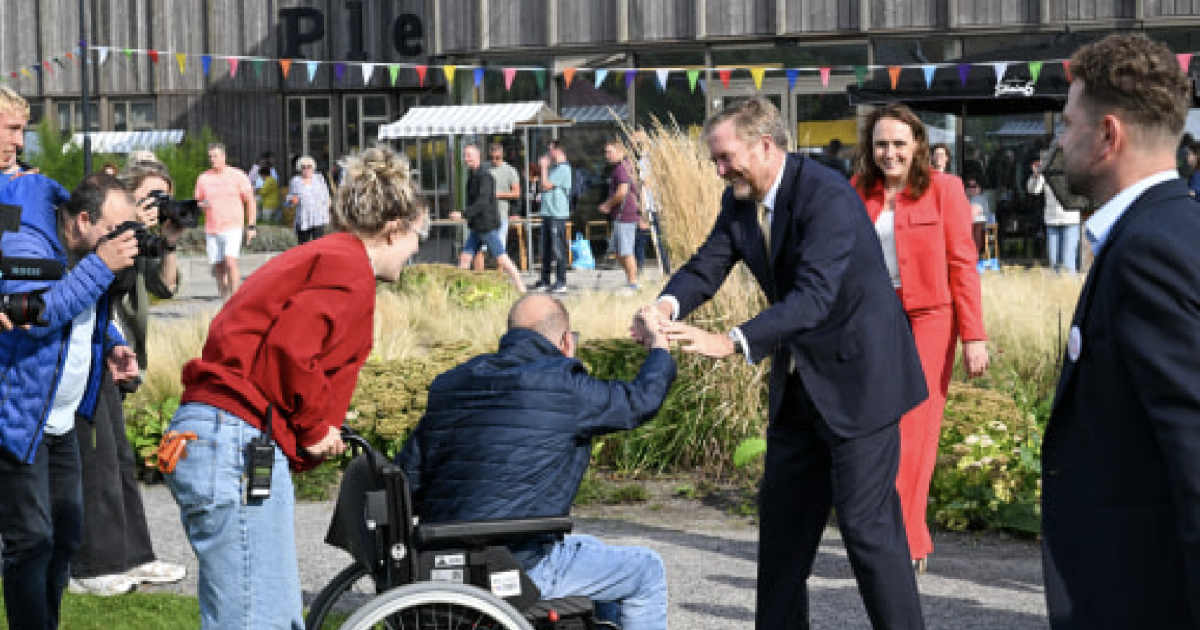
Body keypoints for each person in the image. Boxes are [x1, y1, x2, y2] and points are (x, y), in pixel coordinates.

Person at [640, 97, 928, 630]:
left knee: (868, 533)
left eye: (726, 158)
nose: (720, 171)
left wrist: (732, 340)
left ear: (765, 146)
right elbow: (708, 264)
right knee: (782, 539)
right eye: (715, 161)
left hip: (861, 382)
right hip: (799, 389)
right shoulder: (741, 200)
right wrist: (666, 304)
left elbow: (815, 298)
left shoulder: (828, 196)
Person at [163, 145, 427, 630]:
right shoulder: (350, 269)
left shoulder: (327, 256)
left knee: (267, 615)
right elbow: (291, 348)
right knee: (257, 619)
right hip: (237, 437)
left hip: (224, 431)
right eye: (417, 236)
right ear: (393, 228)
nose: (417, 249)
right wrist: (311, 428)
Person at [1042, 32, 1200, 629]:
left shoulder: (1147, 251)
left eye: (1067, 124)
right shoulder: (1175, 227)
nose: (1060, 140)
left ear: (1108, 135)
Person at [396, 295, 676, 630]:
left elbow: (407, 482)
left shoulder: (452, 384)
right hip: (512, 566)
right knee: (645, 569)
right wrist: (659, 345)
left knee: (588, 548)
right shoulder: (563, 384)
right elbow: (639, 401)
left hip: (441, 561)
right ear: (565, 342)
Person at [0, 166, 140, 629]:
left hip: (62, 421)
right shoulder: (28, 242)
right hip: (20, 418)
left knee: (64, 539)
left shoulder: (89, 251)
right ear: (82, 220)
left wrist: (112, 344)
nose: (121, 242)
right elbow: (41, 311)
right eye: (113, 231)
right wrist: (103, 265)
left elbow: (84, 315)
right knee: (31, 542)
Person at [852, 103, 990, 572]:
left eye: (898, 144)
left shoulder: (945, 190)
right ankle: (888, 529)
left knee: (915, 427)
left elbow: (962, 266)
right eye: (881, 145)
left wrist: (974, 335)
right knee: (877, 427)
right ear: (870, 150)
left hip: (933, 317)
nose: (889, 153)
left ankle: (908, 540)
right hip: (875, 317)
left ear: (917, 146)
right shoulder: (857, 192)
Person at [69, 159, 188, 597]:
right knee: (93, 462)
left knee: (118, 458)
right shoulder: (93, 245)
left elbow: (160, 287)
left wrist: (163, 240)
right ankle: (92, 565)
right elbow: (84, 296)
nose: (153, 208)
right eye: (148, 199)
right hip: (83, 362)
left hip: (110, 354)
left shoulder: (128, 242)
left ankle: (134, 555)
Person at [450, 144, 525, 293]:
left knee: (502, 259)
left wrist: (463, 214)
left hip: (487, 226)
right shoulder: (472, 176)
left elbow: (482, 202)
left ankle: (521, 288)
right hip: (477, 227)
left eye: (469, 155)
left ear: (478, 156)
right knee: (465, 258)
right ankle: (459, 290)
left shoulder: (485, 176)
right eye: (465, 155)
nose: (466, 159)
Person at [195, 143, 256, 300]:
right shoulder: (204, 178)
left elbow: (250, 201)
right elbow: (198, 201)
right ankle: (225, 299)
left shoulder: (237, 176)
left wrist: (251, 226)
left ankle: (235, 298)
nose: (212, 159)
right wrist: (201, 205)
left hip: (233, 226)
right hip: (212, 228)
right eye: (210, 157)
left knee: (230, 262)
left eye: (215, 156)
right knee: (219, 266)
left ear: (224, 157)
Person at [598, 138, 642, 291]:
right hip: (619, 215)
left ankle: (633, 282)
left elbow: (622, 192)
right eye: (605, 152)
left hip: (626, 214)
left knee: (626, 250)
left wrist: (607, 205)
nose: (607, 155)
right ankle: (630, 279)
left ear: (620, 151)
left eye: (609, 152)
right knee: (618, 251)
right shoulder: (618, 167)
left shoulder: (623, 167)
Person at [473, 142, 521, 270]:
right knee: (479, 250)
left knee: (499, 252)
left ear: (502, 156)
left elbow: (516, 193)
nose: (494, 160)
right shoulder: (484, 168)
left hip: (500, 216)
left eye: (497, 158)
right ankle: (480, 279)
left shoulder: (510, 171)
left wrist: (499, 195)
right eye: (492, 157)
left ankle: (499, 279)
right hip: (482, 217)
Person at [1028, 156, 1080, 273]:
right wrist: (1036, 175)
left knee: (1067, 262)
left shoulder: (1072, 170)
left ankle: (1070, 289)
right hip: (1052, 220)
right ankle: (1057, 289)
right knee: (1053, 261)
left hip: (1070, 219)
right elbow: (1033, 190)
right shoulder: (1046, 173)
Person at [532, 140, 571, 293]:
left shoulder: (564, 169)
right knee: (546, 248)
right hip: (547, 212)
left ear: (558, 151)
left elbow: (547, 185)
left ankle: (561, 281)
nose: (548, 153)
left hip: (557, 214)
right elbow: (543, 184)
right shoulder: (554, 168)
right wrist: (545, 172)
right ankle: (545, 279)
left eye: (550, 149)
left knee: (557, 248)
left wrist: (543, 168)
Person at [287, 155, 331, 244]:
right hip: (303, 217)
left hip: (318, 217)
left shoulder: (319, 178)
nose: (306, 169)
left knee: (318, 244)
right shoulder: (295, 181)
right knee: (303, 245)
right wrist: (292, 200)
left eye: (309, 167)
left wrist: (329, 211)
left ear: (313, 167)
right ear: (300, 169)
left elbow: (326, 196)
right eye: (303, 167)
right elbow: (290, 197)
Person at [965, 178, 992, 257]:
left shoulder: (981, 199)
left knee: (976, 226)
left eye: (974, 186)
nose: (971, 188)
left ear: (979, 188)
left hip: (980, 223)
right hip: (968, 222)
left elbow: (983, 213)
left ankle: (976, 251)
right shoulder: (965, 198)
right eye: (969, 186)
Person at [257, 157, 283, 224]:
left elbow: (263, 192)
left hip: (268, 205)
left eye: (261, 176)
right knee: (276, 224)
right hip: (276, 204)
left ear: (263, 175)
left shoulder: (268, 181)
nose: (261, 178)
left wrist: (257, 191)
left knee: (267, 223)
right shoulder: (273, 180)